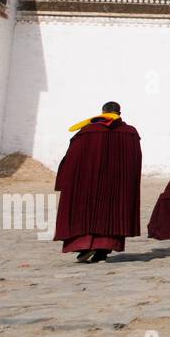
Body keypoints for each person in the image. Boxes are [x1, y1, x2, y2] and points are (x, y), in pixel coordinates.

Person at [53, 101, 142, 263]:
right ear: (119, 114)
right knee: (112, 214)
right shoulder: (130, 133)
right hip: (118, 184)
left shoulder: (87, 131)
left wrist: (67, 180)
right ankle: (103, 251)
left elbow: (73, 159)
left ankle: (86, 246)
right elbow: (135, 161)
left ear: (102, 113)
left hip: (90, 182)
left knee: (89, 212)